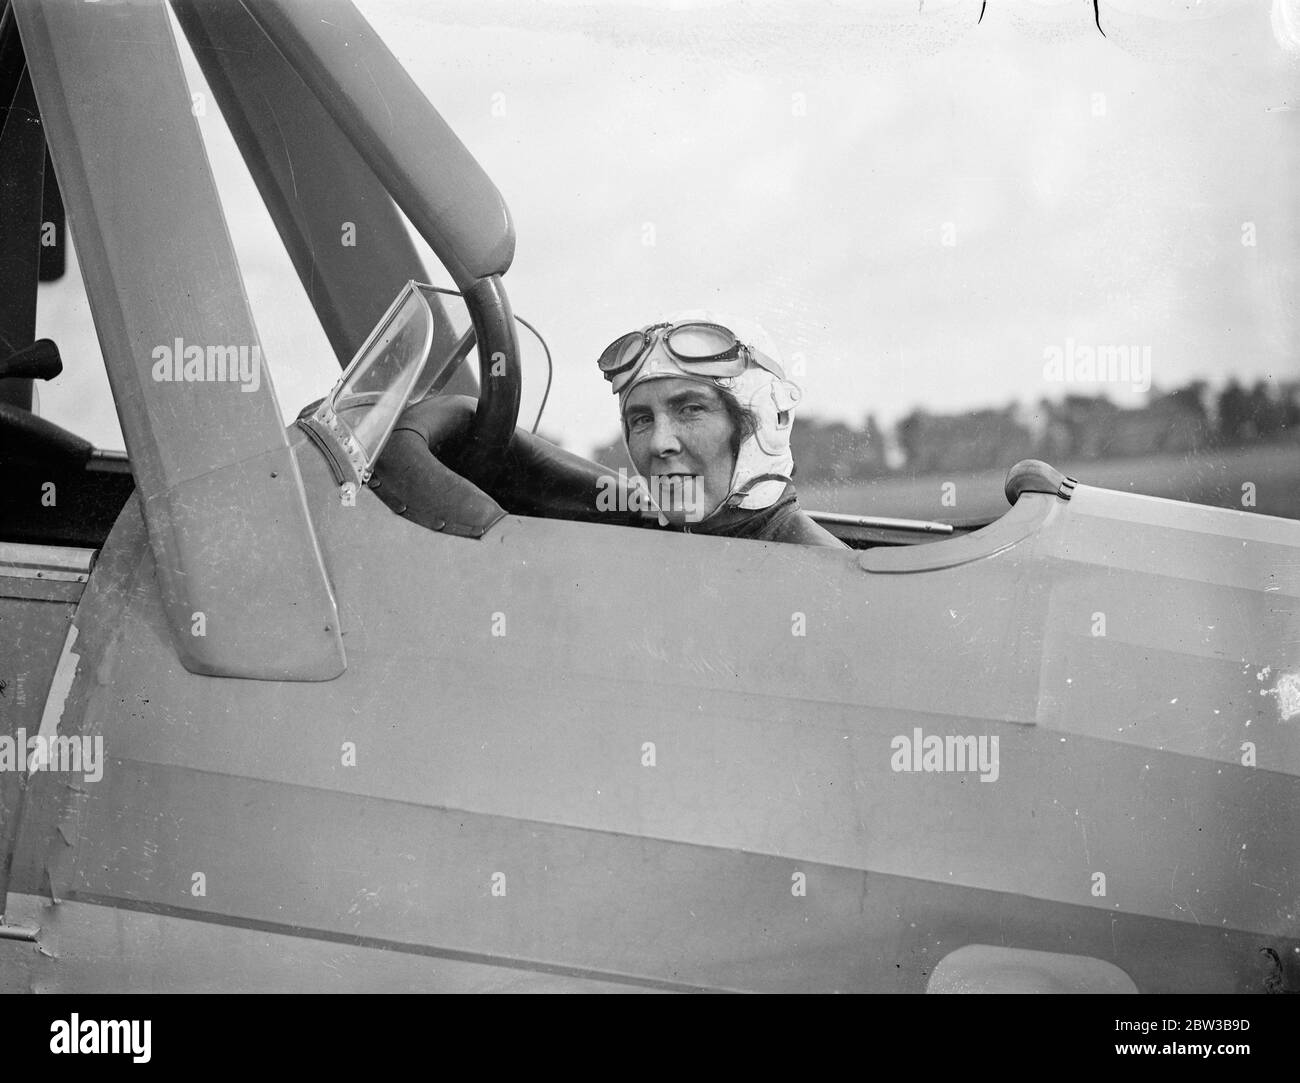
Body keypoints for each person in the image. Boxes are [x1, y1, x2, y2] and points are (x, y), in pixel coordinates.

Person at [597, 313, 845, 548]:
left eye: (691, 409)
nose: (659, 443)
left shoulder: (830, 577)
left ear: (768, 420)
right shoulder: (633, 558)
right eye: (642, 420)